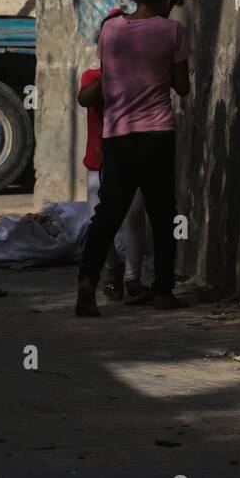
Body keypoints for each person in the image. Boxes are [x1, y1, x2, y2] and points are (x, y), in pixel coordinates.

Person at [76, 0, 190, 316]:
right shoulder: (171, 31)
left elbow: (108, 77)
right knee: (162, 213)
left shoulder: (110, 30)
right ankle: (162, 291)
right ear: (169, 1)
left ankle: (87, 285)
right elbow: (183, 87)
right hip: (157, 135)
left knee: (108, 213)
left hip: (118, 136)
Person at [78, 53, 150, 301]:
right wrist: (106, 77)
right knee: (94, 220)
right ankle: (113, 266)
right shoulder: (92, 76)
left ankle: (133, 279)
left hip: (131, 158)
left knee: (133, 218)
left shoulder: (137, 78)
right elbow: (84, 99)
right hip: (99, 160)